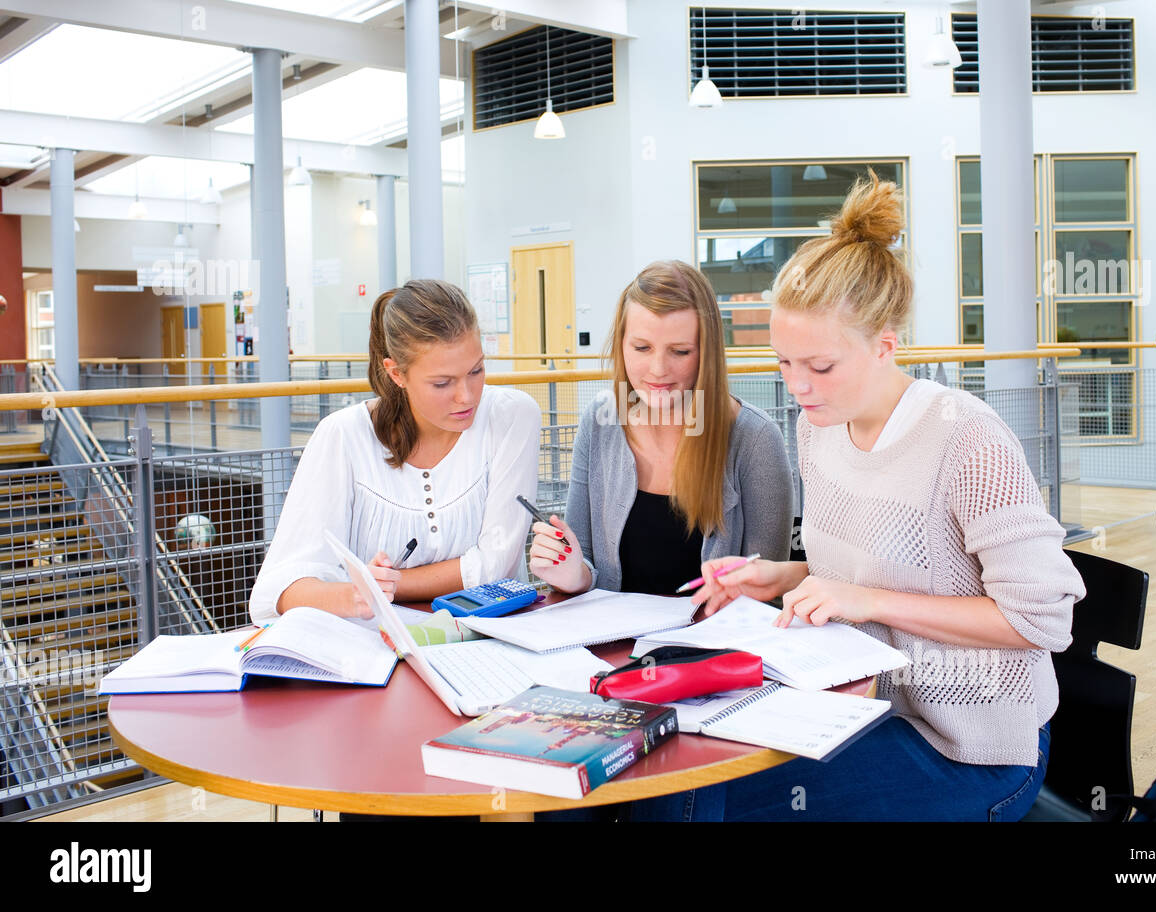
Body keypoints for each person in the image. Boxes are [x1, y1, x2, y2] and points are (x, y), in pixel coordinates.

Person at [633, 175, 1086, 822]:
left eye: (820, 367)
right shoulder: (819, 432)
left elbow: (1042, 621)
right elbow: (852, 573)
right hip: (872, 708)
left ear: (885, 346)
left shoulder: (967, 441)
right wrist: (775, 577)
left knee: (714, 804)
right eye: (784, 364)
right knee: (678, 784)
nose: (798, 387)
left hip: (975, 750)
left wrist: (865, 601)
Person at [248, 278, 541, 626]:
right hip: (376, 653)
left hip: (491, 642)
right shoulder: (342, 435)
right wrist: (352, 595)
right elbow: (277, 591)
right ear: (396, 373)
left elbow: (496, 565)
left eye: (476, 370)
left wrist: (390, 585)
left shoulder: (512, 414)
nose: (467, 396)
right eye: (442, 383)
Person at [527, 260, 794, 599]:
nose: (657, 370)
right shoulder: (599, 422)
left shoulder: (755, 440)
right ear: (621, 345)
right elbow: (587, 571)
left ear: (706, 354)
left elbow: (767, 592)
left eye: (680, 352)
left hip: (713, 647)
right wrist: (570, 573)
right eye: (642, 348)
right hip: (611, 646)